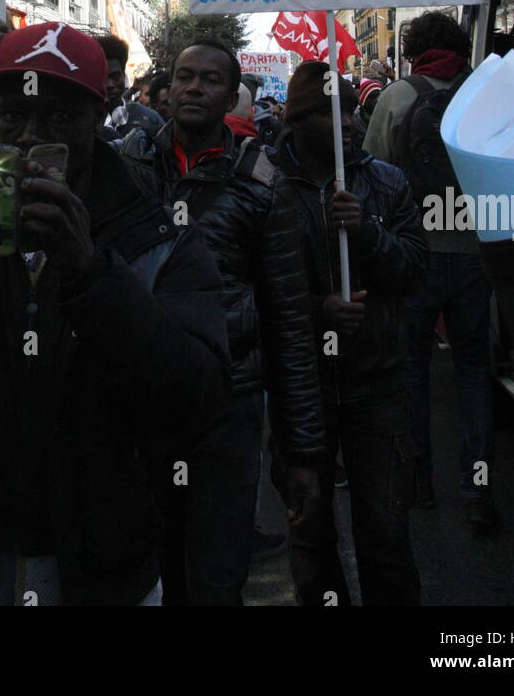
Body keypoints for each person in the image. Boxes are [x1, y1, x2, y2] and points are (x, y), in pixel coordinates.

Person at [0, 22, 229, 606]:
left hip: (106, 565)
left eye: (56, 118)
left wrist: (90, 275)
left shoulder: (154, 234)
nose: (30, 138)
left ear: (97, 115)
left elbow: (196, 399)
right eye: (12, 117)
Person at [121, 38, 324, 606]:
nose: (194, 88)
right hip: (143, 404)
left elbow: (288, 321)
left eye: (210, 80)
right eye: (185, 76)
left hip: (227, 406)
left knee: (217, 575)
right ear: (168, 86)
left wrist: (302, 450)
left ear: (231, 94)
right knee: (151, 571)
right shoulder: (129, 165)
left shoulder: (263, 185)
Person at [271, 67, 428, 606]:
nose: (344, 123)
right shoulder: (266, 186)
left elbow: (413, 271)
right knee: (311, 540)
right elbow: (247, 291)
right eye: (325, 112)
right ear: (295, 119)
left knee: (385, 536)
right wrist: (318, 311)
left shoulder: (385, 182)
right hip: (302, 391)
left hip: (375, 385)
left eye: (345, 111)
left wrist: (366, 233)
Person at [364, 11, 497, 530]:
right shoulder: (482, 93)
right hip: (474, 253)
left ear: (415, 46)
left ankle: (419, 479)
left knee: (413, 368)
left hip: (416, 252)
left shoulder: (398, 96)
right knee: (472, 371)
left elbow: (374, 170)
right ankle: (478, 490)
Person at [95, 35, 161, 141]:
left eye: (115, 77)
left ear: (124, 76)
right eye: (103, 77)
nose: (109, 84)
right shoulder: (82, 122)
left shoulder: (150, 119)